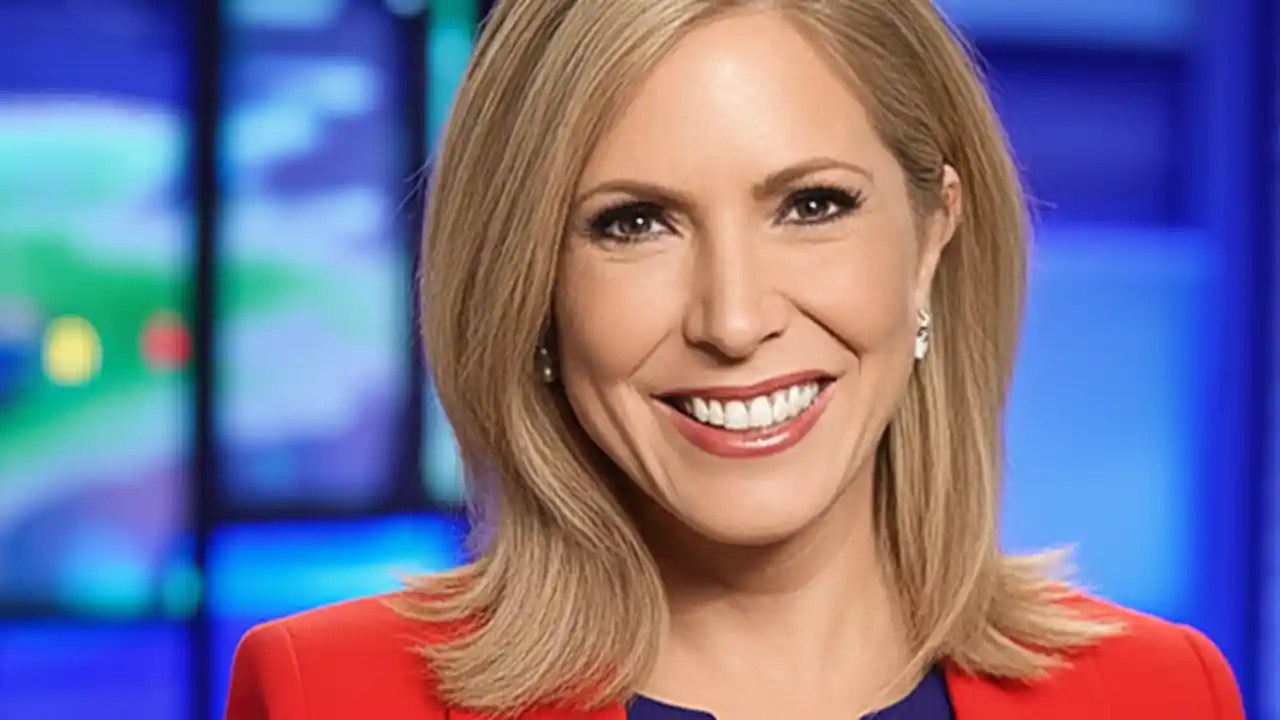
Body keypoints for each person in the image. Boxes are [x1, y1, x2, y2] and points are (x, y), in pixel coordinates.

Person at [226, 1, 1246, 718]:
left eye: (810, 206)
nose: (733, 317)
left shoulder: (1160, 693)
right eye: (633, 223)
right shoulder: (332, 695)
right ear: (529, 286)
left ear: (932, 233)